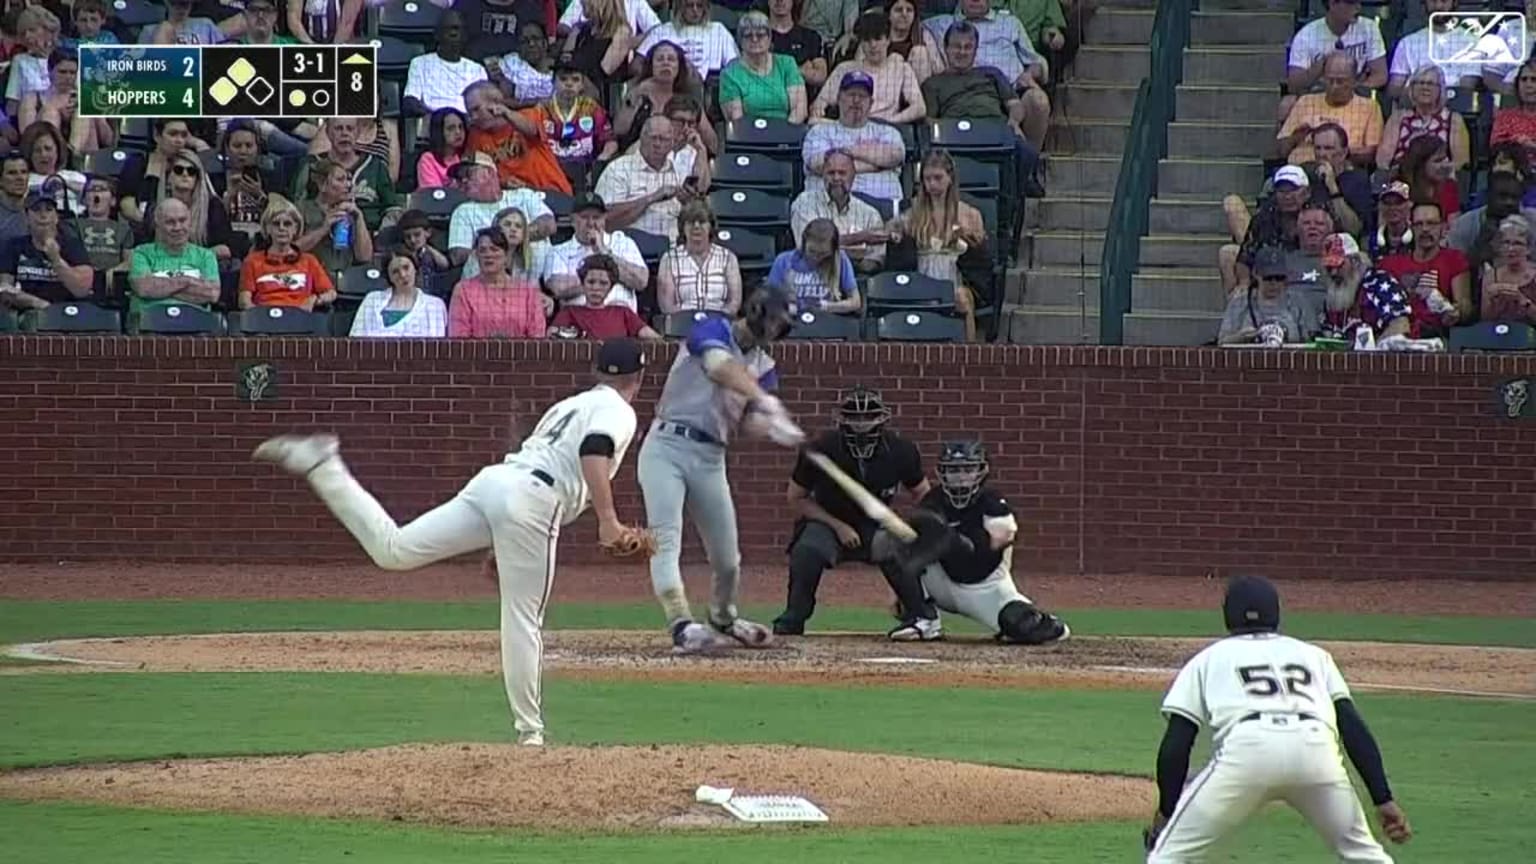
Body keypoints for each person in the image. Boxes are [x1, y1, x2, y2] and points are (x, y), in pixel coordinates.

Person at [251, 338, 653, 747]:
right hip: (533, 499)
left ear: (598, 373)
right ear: (638, 379)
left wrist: (500, 543)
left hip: (495, 482)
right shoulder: (619, 410)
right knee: (522, 619)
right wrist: (608, 520)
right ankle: (530, 735)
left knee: (394, 550)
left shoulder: (569, 404)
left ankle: (323, 465)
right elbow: (594, 449)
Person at [1142, 575, 1412, 863]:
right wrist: (1382, 798)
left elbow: (1176, 745)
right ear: (1277, 613)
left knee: (1167, 857)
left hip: (1248, 753)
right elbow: (1352, 728)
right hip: (1316, 753)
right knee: (1365, 855)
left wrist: (1168, 812)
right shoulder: (1315, 656)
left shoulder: (1208, 659)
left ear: (1227, 615)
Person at [638, 288, 806, 653]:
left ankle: (723, 618)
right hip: (666, 446)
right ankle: (681, 624)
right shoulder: (711, 328)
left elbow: (746, 421)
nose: (777, 330)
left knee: (728, 560)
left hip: (711, 457)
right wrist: (765, 400)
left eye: (784, 325)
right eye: (776, 320)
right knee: (665, 542)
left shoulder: (765, 366)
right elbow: (719, 367)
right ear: (758, 311)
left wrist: (770, 427)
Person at [871, 440, 1070, 644]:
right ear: (943, 473)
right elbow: (916, 541)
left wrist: (952, 539)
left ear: (980, 472)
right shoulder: (934, 500)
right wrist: (903, 589)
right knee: (887, 540)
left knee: (1021, 625)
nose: (960, 476)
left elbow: (991, 549)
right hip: (941, 581)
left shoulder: (993, 503)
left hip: (985, 588)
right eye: (954, 470)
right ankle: (924, 618)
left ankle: (1047, 623)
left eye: (967, 469)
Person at [772, 387, 929, 635]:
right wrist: (838, 526)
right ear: (842, 418)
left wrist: (908, 528)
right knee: (807, 550)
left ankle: (918, 614)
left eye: (867, 417)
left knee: (898, 545)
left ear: (882, 418)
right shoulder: (822, 448)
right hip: (828, 523)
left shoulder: (901, 451)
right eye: (854, 417)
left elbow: (924, 494)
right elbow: (796, 498)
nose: (861, 424)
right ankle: (795, 614)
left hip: (875, 525)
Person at [236, 196, 336, 310]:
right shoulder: (252, 261)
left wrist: (314, 299)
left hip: (300, 319)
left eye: (287, 224)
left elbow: (331, 293)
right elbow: (244, 302)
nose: (282, 228)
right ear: (267, 228)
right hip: (265, 320)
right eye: (276, 224)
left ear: (295, 228)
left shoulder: (309, 261)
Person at [0, 190, 92, 312]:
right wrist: (36, 302)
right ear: (26, 217)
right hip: (26, 314)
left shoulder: (73, 245)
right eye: (37, 210)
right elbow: (5, 290)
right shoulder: (14, 246)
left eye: (49, 210)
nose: (43, 215)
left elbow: (81, 290)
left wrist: (56, 259)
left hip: (67, 313)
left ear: (56, 217)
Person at [548, 253, 662, 339]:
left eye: (603, 283)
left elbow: (650, 336)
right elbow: (551, 335)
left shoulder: (623, 313)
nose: (596, 288)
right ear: (582, 284)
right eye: (591, 282)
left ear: (611, 287)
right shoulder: (569, 312)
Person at [350, 248, 450, 338]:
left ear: (415, 269)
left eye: (406, 267)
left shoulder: (435, 306)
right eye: (395, 272)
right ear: (389, 277)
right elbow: (355, 342)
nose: (402, 275)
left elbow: (438, 349)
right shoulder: (372, 300)